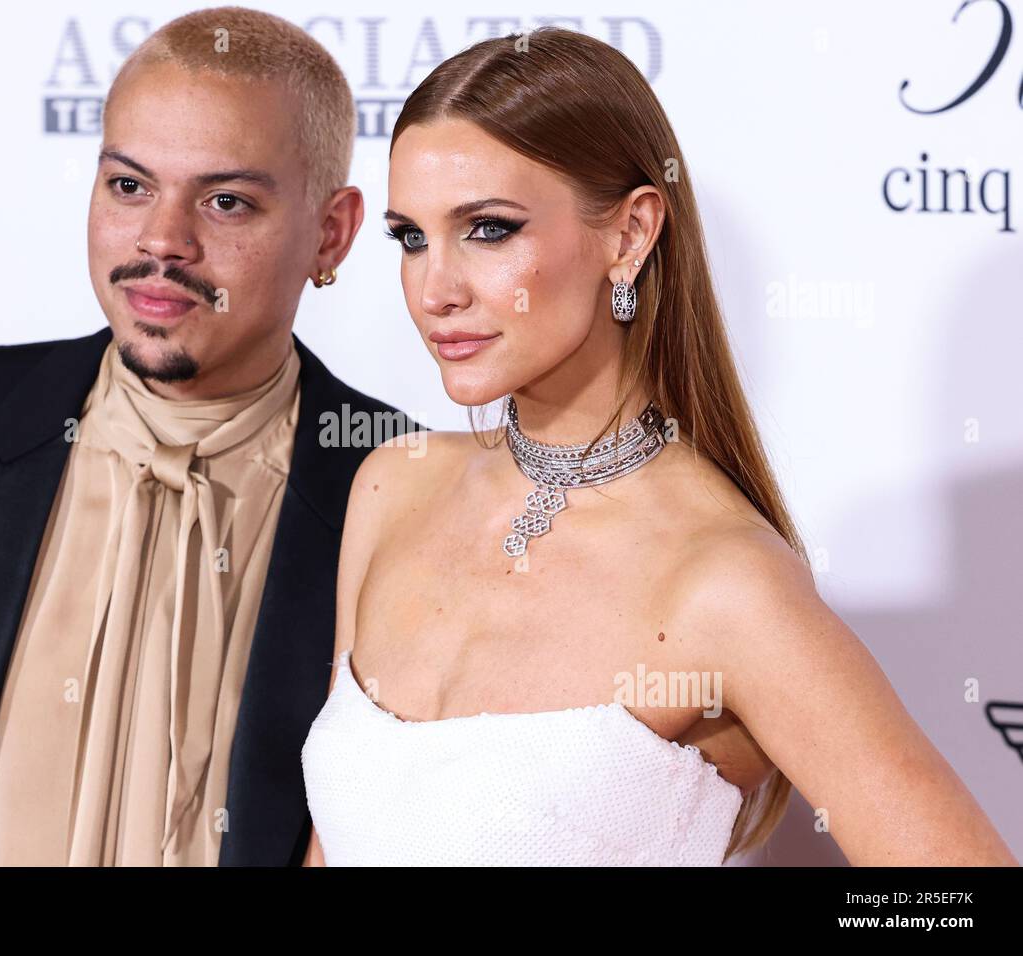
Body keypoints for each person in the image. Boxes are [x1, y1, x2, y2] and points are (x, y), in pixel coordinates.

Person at [300, 26, 1017, 866]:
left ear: (631, 234)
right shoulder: (392, 487)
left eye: (489, 229)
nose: (436, 289)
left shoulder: (725, 582)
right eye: (410, 237)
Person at [0, 6, 421, 867]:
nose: (162, 241)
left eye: (226, 201)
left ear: (332, 231)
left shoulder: (404, 482)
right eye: (129, 186)